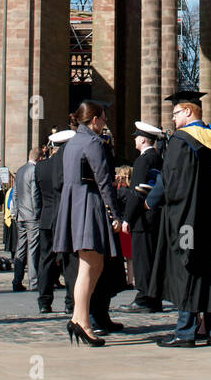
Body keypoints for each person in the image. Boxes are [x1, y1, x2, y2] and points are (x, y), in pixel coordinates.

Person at [150, 90, 211, 347]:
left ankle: (185, 332)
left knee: (188, 269)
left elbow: (174, 184)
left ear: (187, 111)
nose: (173, 119)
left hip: (188, 221)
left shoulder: (181, 141)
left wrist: (156, 203)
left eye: (175, 113)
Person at [54, 101, 120, 347]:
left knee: (93, 263)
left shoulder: (71, 143)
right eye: (103, 119)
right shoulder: (93, 143)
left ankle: (78, 318)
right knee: (88, 266)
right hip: (88, 204)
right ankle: (81, 321)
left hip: (74, 204)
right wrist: (116, 214)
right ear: (94, 120)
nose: (105, 123)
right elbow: (104, 181)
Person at [119, 123, 164, 313]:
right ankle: (154, 298)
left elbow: (136, 192)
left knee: (142, 258)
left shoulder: (142, 161)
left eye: (137, 137)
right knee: (152, 257)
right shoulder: (158, 158)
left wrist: (127, 218)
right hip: (155, 215)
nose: (135, 140)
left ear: (143, 139)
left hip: (142, 217)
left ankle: (143, 298)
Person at [35, 132, 72, 314]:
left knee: (46, 261)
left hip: (47, 218)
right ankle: (70, 302)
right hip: (65, 218)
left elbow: (38, 197)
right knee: (69, 261)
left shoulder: (40, 167)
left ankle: (44, 301)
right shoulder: (69, 165)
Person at [12, 150, 41, 292]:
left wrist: (15, 211)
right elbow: (35, 193)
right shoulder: (34, 170)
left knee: (21, 248)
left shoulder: (20, 170)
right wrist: (37, 212)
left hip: (21, 215)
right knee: (33, 248)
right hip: (31, 215)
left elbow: (15, 193)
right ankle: (33, 281)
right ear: (39, 158)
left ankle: (17, 280)